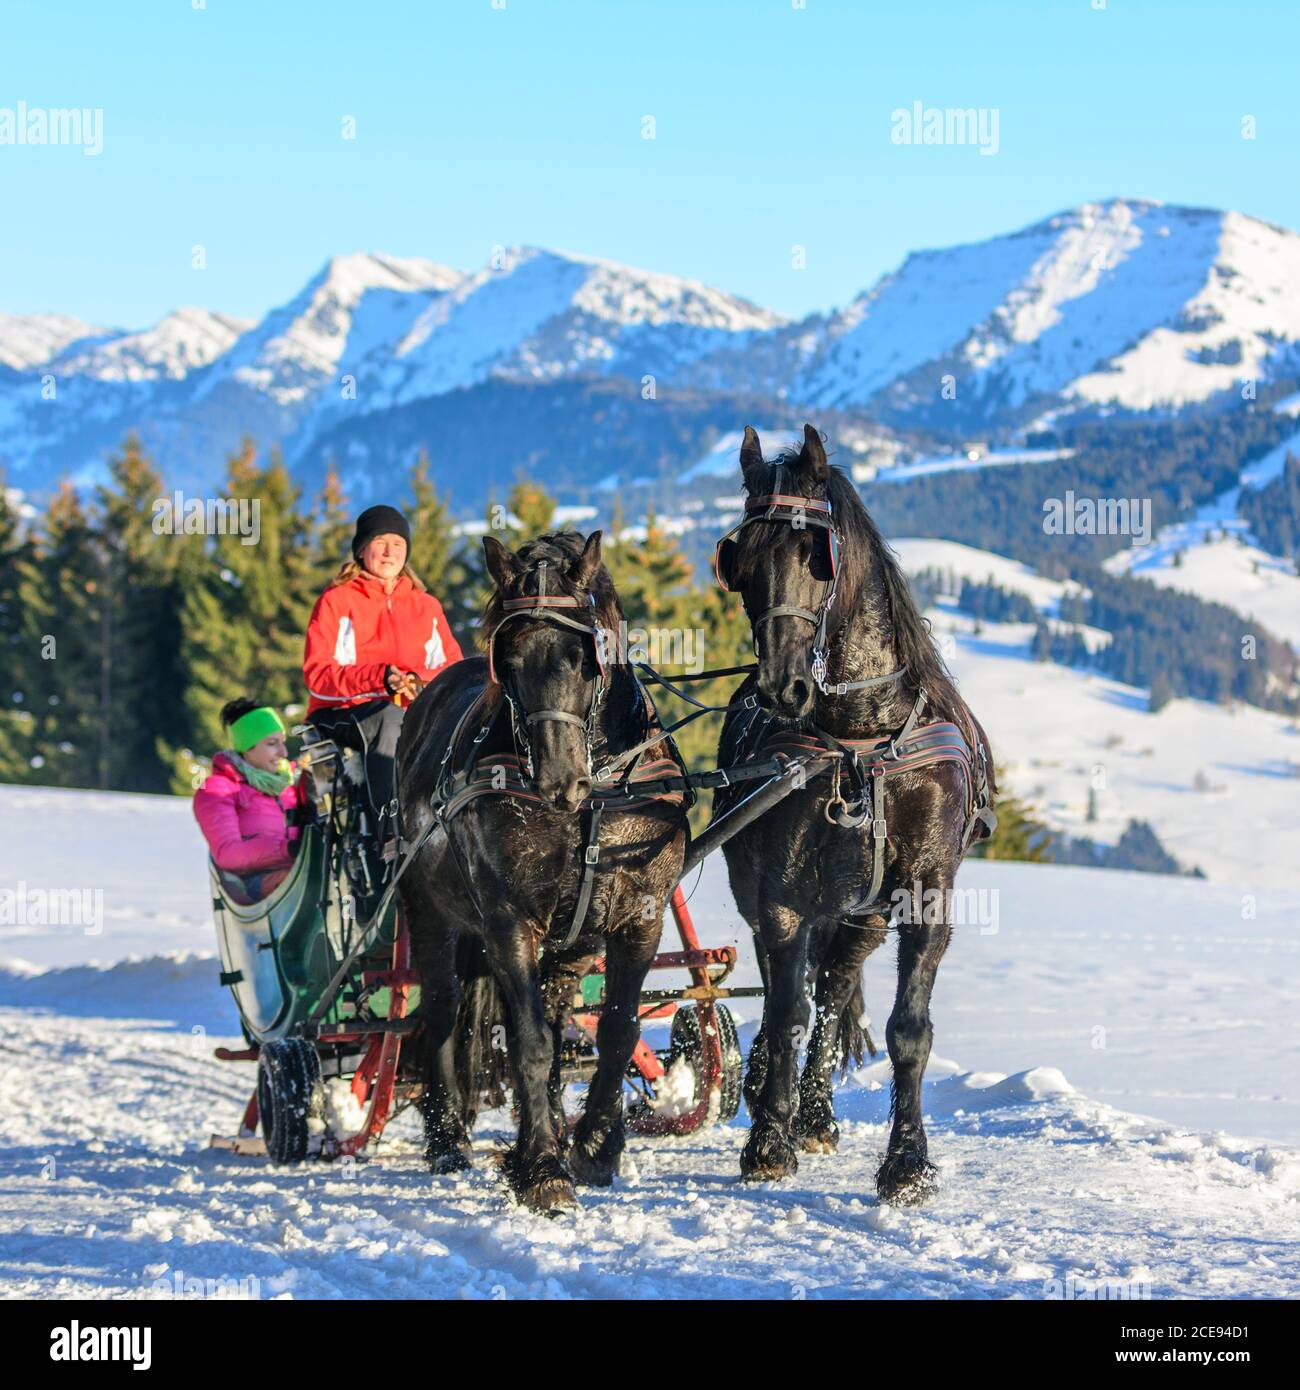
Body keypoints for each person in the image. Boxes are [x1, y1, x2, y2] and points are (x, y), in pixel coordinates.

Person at [303, 504, 463, 838]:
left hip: (412, 711)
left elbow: (452, 668)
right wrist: (379, 678)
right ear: (362, 549)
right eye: (380, 541)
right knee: (389, 719)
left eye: (398, 544)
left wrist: (416, 680)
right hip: (343, 714)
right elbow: (318, 675)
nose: (390, 551)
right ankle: (391, 834)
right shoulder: (337, 601)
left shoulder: (425, 606)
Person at [194, 698, 305, 900]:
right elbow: (228, 853)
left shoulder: (289, 784)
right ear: (247, 747)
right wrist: (285, 848)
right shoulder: (217, 790)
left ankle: (357, 921)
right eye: (272, 744)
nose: (284, 753)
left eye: (283, 742)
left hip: (300, 874)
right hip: (253, 886)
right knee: (307, 883)